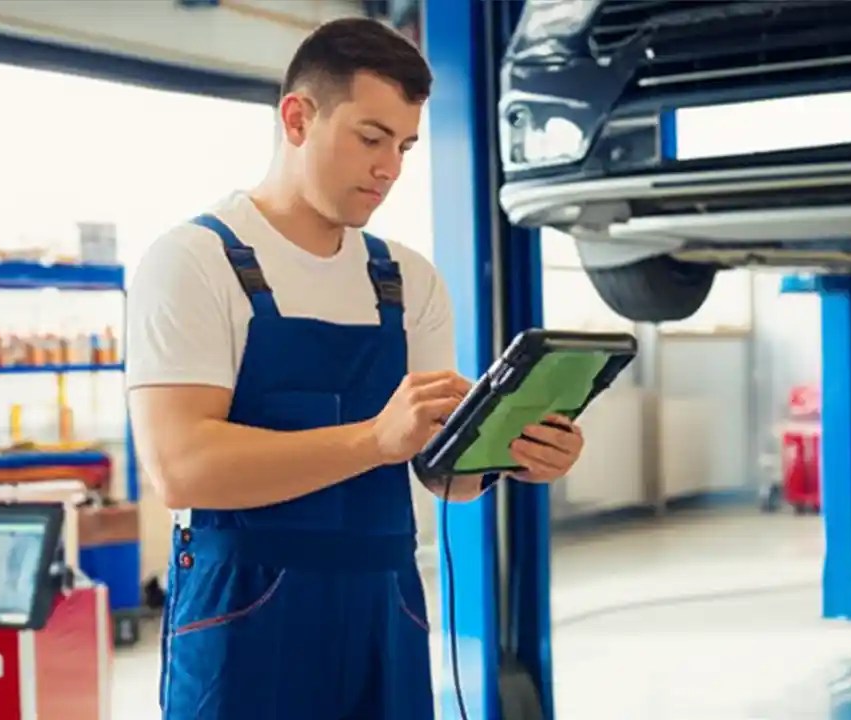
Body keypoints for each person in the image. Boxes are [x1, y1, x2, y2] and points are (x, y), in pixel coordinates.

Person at [127, 17, 586, 719]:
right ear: (297, 118)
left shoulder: (407, 280)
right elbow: (181, 467)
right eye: (370, 138)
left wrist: (514, 452)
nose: (390, 168)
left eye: (403, 146)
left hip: (384, 603)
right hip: (243, 611)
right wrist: (374, 440)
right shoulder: (195, 261)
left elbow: (444, 475)